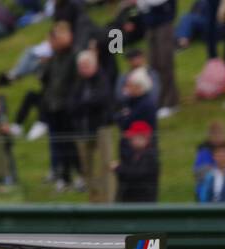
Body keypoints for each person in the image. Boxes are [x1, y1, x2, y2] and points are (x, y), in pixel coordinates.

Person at [40, 21, 80, 191]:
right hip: (53, 106)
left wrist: (71, 103)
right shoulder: (54, 57)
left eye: (56, 37)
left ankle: (80, 175)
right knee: (60, 144)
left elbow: (74, 82)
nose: (53, 41)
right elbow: (45, 79)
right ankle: (65, 177)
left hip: (67, 107)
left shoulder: (73, 55)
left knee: (70, 144)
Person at [72, 49, 116, 203]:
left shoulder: (102, 78)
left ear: (94, 64)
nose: (83, 69)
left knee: (106, 165)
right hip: (83, 129)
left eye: (86, 65)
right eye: (81, 66)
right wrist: (85, 104)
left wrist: (83, 104)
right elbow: (71, 104)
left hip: (101, 128)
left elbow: (102, 100)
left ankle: (109, 202)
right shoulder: (79, 82)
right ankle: (94, 201)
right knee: (87, 169)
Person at [125, 0, 178, 118]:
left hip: (164, 21)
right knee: (153, 64)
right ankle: (158, 101)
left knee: (164, 62)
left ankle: (169, 103)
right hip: (150, 24)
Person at [114, 119, 159, 201]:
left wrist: (119, 169)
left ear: (144, 138)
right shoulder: (134, 155)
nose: (130, 141)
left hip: (143, 204)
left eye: (133, 138)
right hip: (132, 203)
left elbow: (137, 175)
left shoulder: (150, 157)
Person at [115, 66, 158, 136]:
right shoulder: (133, 100)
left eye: (130, 85)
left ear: (139, 87)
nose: (126, 88)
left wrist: (123, 116)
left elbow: (126, 123)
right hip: (133, 143)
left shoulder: (145, 104)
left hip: (143, 144)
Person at [193, 118, 225, 183]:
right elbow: (198, 172)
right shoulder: (204, 151)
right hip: (207, 187)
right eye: (216, 134)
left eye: (221, 133)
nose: (219, 137)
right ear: (210, 136)